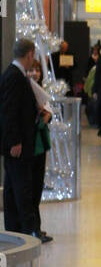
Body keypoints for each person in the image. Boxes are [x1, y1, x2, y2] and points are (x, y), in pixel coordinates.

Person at [0, 38, 41, 237]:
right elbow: (9, 111)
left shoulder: (14, 74)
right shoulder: (14, 77)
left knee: (12, 187)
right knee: (21, 188)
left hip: (18, 143)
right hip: (18, 144)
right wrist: (15, 140)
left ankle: (15, 230)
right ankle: (26, 232)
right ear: (30, 54)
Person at [27, 56, 54, 244]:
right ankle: (32, 228)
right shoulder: (27, 91)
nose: (35, 73)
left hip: (40, 145)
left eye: (37, 70)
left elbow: (49, 113)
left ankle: (37, 227)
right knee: (31, 188)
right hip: (32, 146)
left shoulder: (41, 90)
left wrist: (47, 115)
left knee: (37, 188)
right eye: (31, 70)